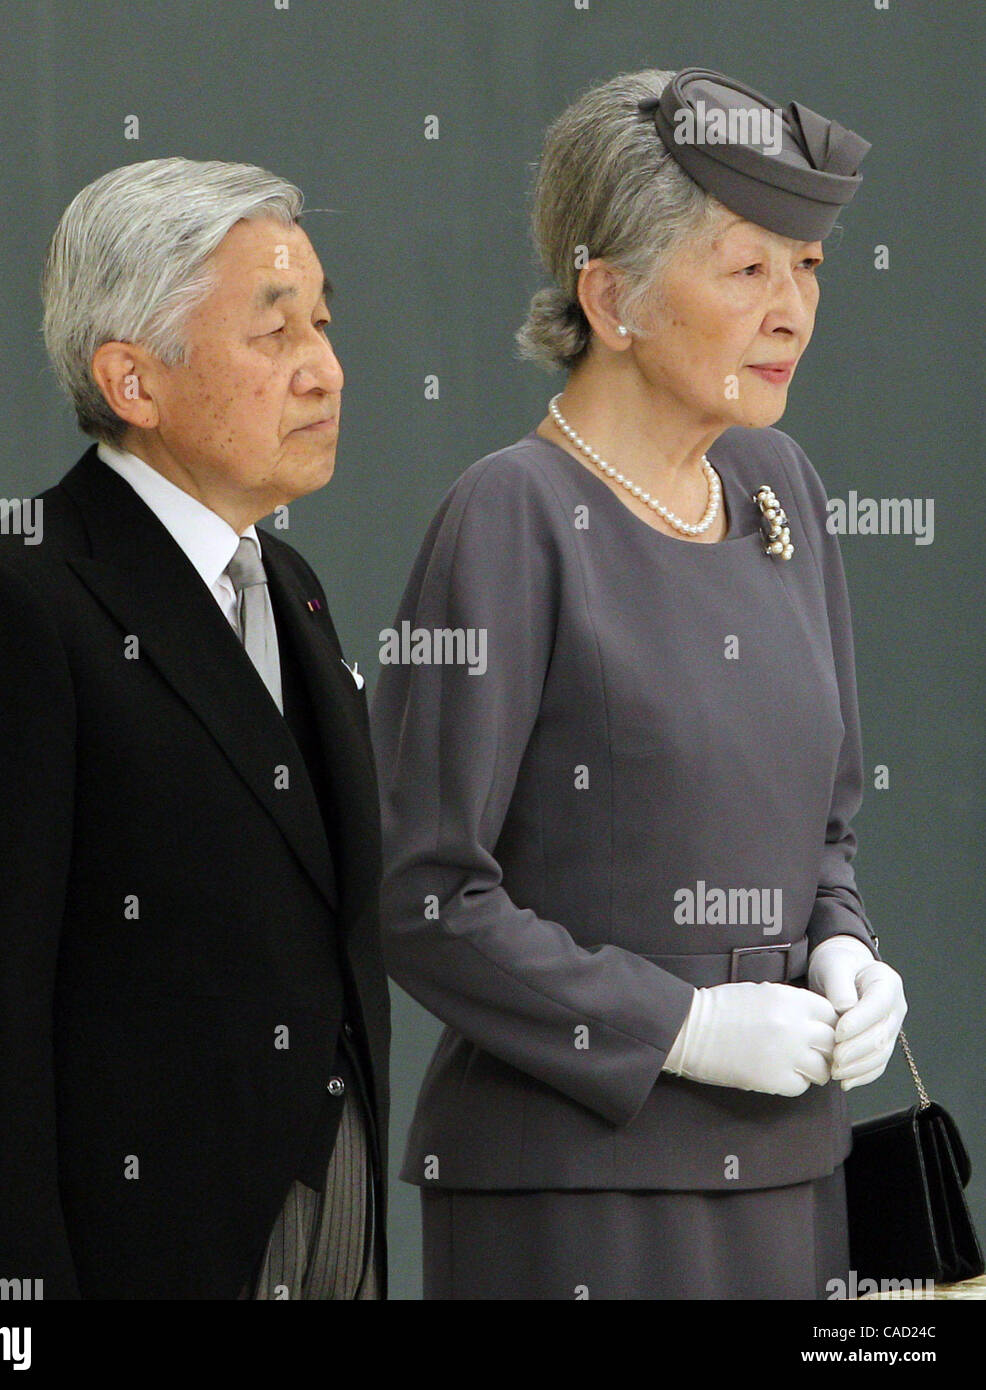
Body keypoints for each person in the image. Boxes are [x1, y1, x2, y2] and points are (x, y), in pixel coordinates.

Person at [370, 67, 906, 1300]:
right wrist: (680, 1028)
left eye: (807, 269)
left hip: (789, 1175)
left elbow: (824, 826)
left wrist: (841, 948)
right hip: (581, 1193)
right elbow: (427, 895)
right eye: (746, 269)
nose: (792, 312)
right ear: (607, 297)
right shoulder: (510, 515)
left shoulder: (784, 487)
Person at [0, 157, 390, 1300]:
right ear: (132, 379)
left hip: (335, 1217)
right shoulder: (16, 606)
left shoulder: (293, 586)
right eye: (274, 334)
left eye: (320, 322)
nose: (325, 368)